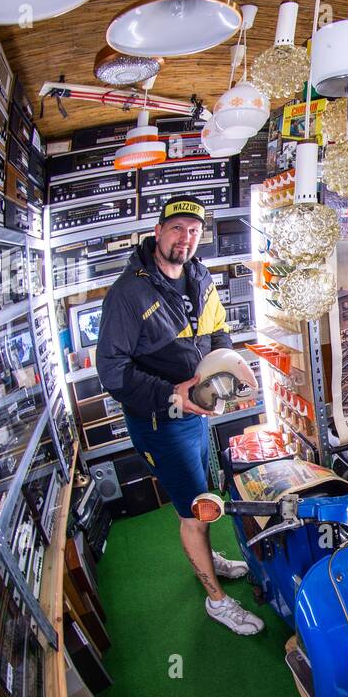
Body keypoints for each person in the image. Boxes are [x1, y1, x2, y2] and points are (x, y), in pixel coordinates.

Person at [96, 195, 264, 636]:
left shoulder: (199, 275)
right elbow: (111, 373)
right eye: (177, 229)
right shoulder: (128, 293)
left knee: (195, 497)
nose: (185, 239)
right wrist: (172, 392)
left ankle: (204, 560)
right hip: (160, 421)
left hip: (195, 413)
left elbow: (217, 329)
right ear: (157, 232)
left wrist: (222, 369)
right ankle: (216, 601)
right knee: (195, 511)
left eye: (193, 231)